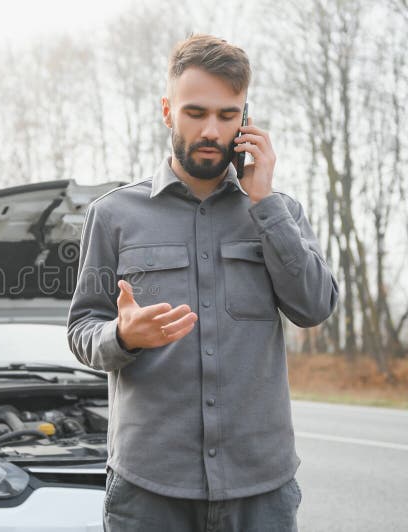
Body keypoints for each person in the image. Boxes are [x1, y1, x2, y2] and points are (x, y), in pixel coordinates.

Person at [67, 34, 338, 532]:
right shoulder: (113, 216)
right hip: (150, 490)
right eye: (196, 113)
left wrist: (265, 205)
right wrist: (122, 337)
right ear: (168, 111)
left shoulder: (281, 213)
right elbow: (83, 331)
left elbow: (315, 307)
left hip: (261, 490)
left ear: (245, 118)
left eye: (227, 114)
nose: (212, 129)